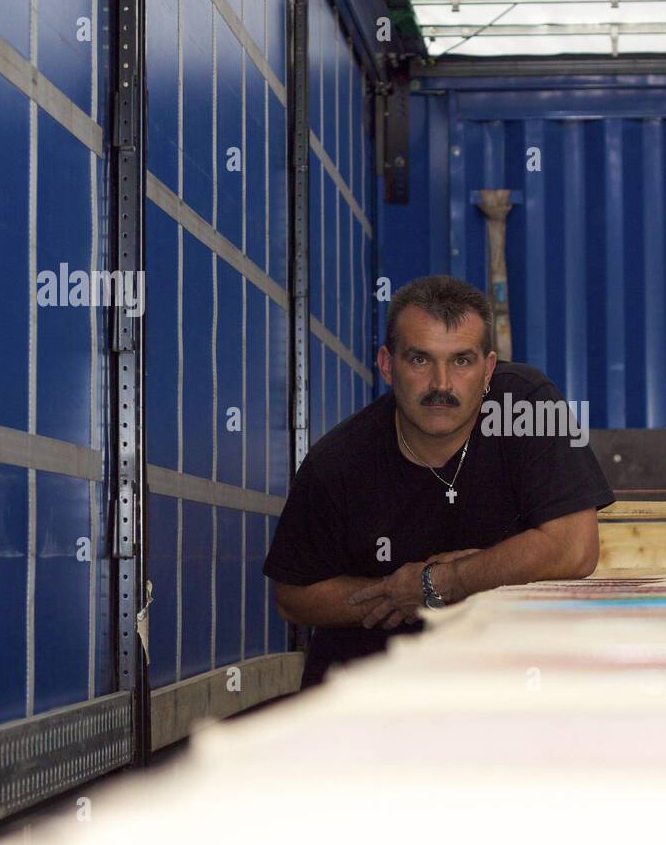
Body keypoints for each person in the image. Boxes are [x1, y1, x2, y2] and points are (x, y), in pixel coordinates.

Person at [263, 275, 615, 684]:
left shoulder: (528, 404)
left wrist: (440, 583)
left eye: (461, 361)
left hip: (508, 682)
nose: (441, 385)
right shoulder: (338, 461)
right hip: (374, 693)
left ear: (488, 369)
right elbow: (292, 597)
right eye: (420, 359)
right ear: (386, 365)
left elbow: (575, 548)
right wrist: (398, 594)